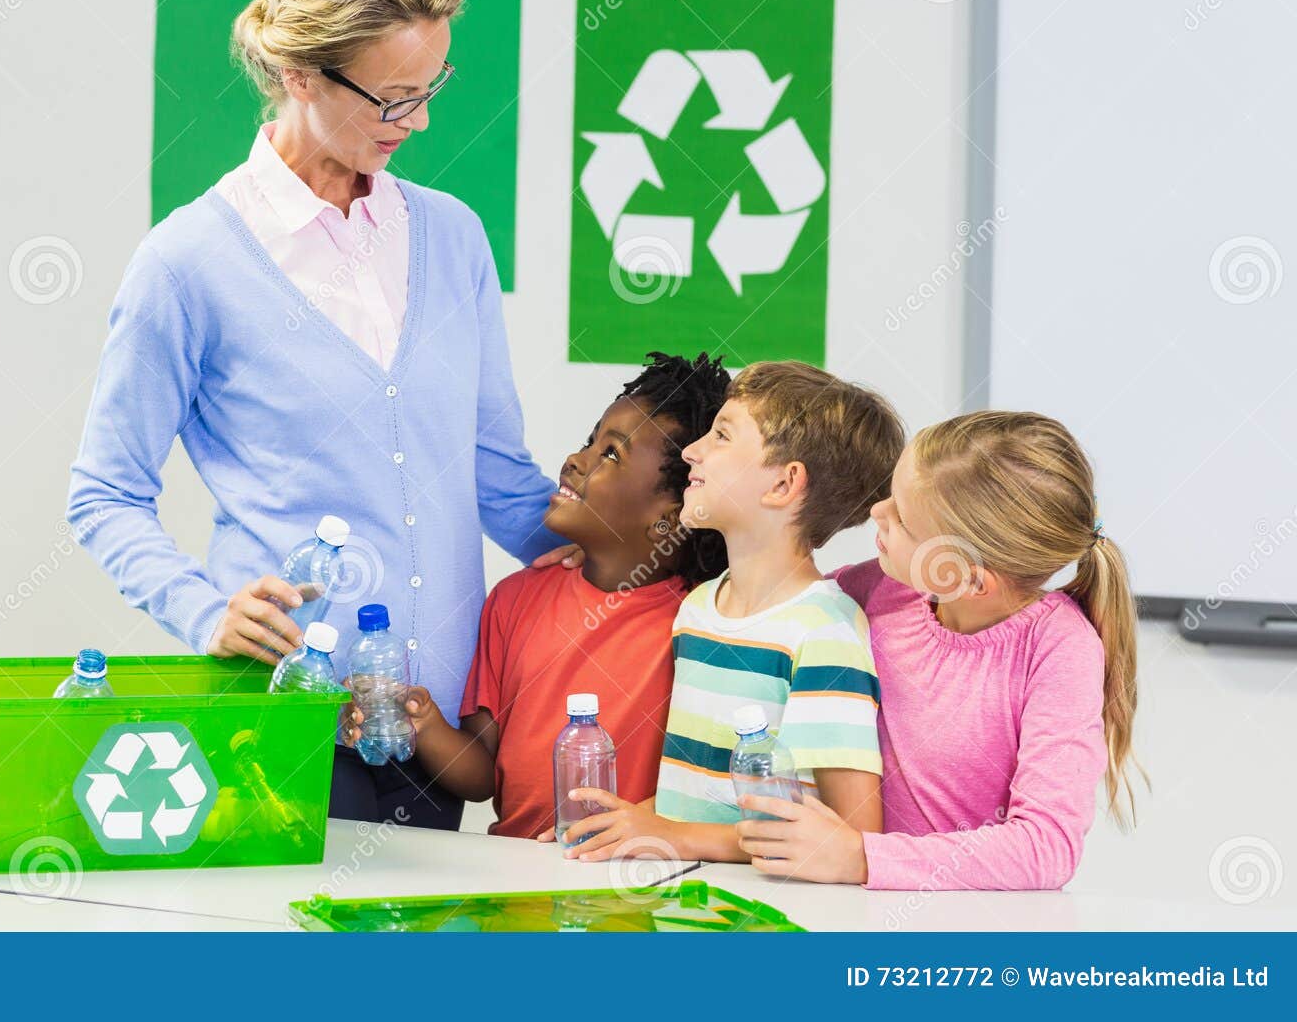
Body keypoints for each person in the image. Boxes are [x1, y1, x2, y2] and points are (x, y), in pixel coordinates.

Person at [66, 0, 570, 830]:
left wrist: (658, 563)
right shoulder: (187, 263)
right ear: (302, 76)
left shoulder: (452, 237)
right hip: (281, 715)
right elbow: (104, 494)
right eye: (393, 96)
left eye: (431, 89)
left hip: (435, 731)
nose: (418, 121)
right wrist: (204, 612)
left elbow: (496, 472)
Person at [736, 411, 1141, 890]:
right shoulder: (885, 589)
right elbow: (788, 614)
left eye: (903, 519)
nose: (876, 513)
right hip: (850, 907)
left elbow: (1045, 848)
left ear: (967, 578)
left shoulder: (1060, 650)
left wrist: (861, 857)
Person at [343, 353, 731, 838]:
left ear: (667, 520)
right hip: (515, 875)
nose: (575, 460)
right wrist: (423, 725)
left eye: (611, 454)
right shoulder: (515, 600)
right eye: (590, 442)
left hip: (632, 877)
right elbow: (481, 773)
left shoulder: (699, 621)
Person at [552, 361, 903, 861]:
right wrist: (620, 825)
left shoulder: (825, 632)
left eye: (721, 435)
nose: (693, 451)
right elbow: (699, 801)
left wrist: (674, 836)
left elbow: (852, 834)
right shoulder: (698, 610)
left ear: (783, 485)